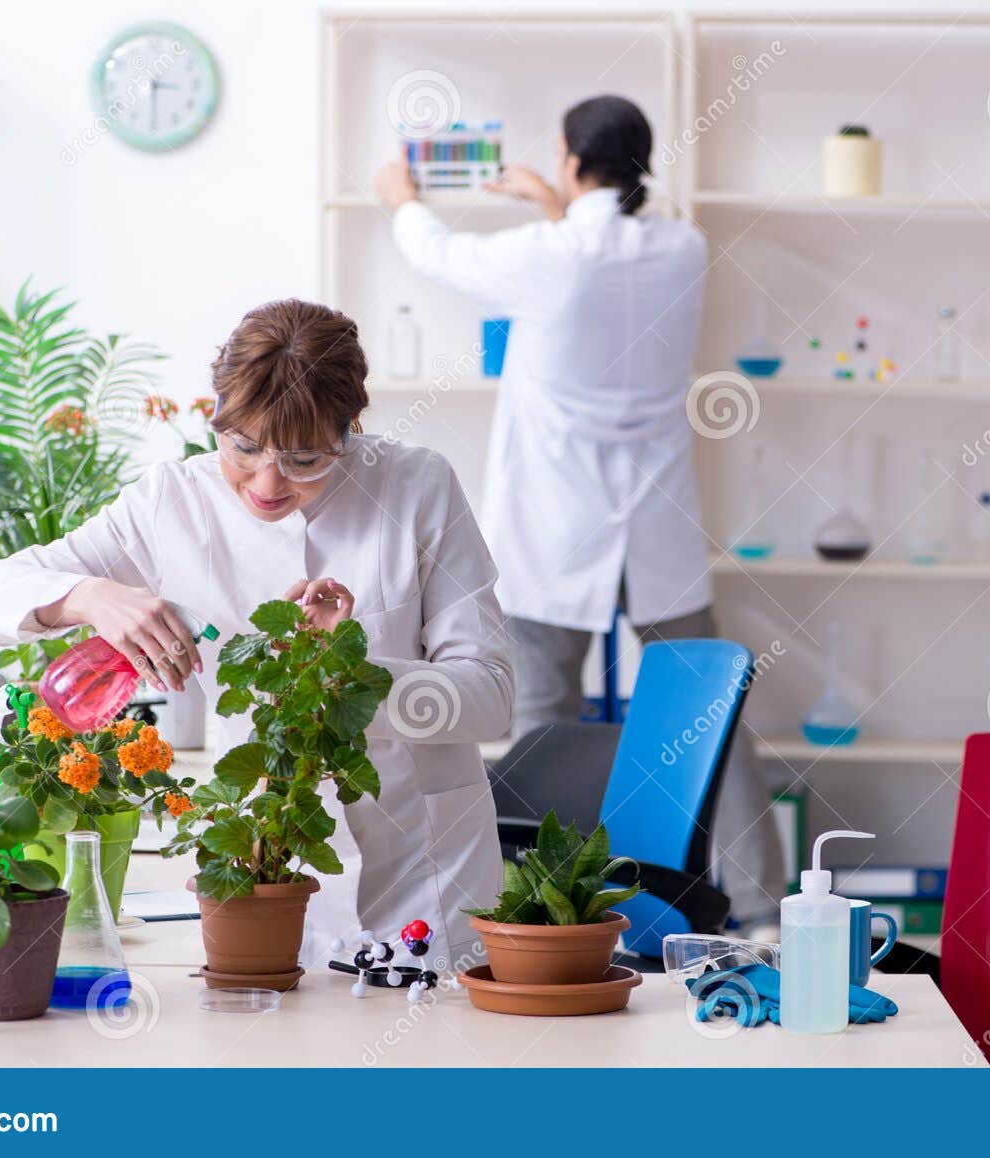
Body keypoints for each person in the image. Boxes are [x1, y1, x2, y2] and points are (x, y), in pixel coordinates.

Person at [0, 300, 511, 970]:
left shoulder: (417, 486)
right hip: (265, 872)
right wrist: (90, 596)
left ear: (350, 427)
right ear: (217, 417)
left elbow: (491, 695)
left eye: (305, 458)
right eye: (243, 447)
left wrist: (345, 676)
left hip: (424, 873)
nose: (267, 483)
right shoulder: (171, 502)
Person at [376, 94, 785, 928]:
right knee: (712, 712)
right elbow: (607, 252)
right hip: (658, 527)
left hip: (558, 530)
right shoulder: (684, 247)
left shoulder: (546, 255)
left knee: (539, 722)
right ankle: (764, 908)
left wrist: (401, 197)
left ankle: (543, 913)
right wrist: (556, 203)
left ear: (569, 159)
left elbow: (445, 255)